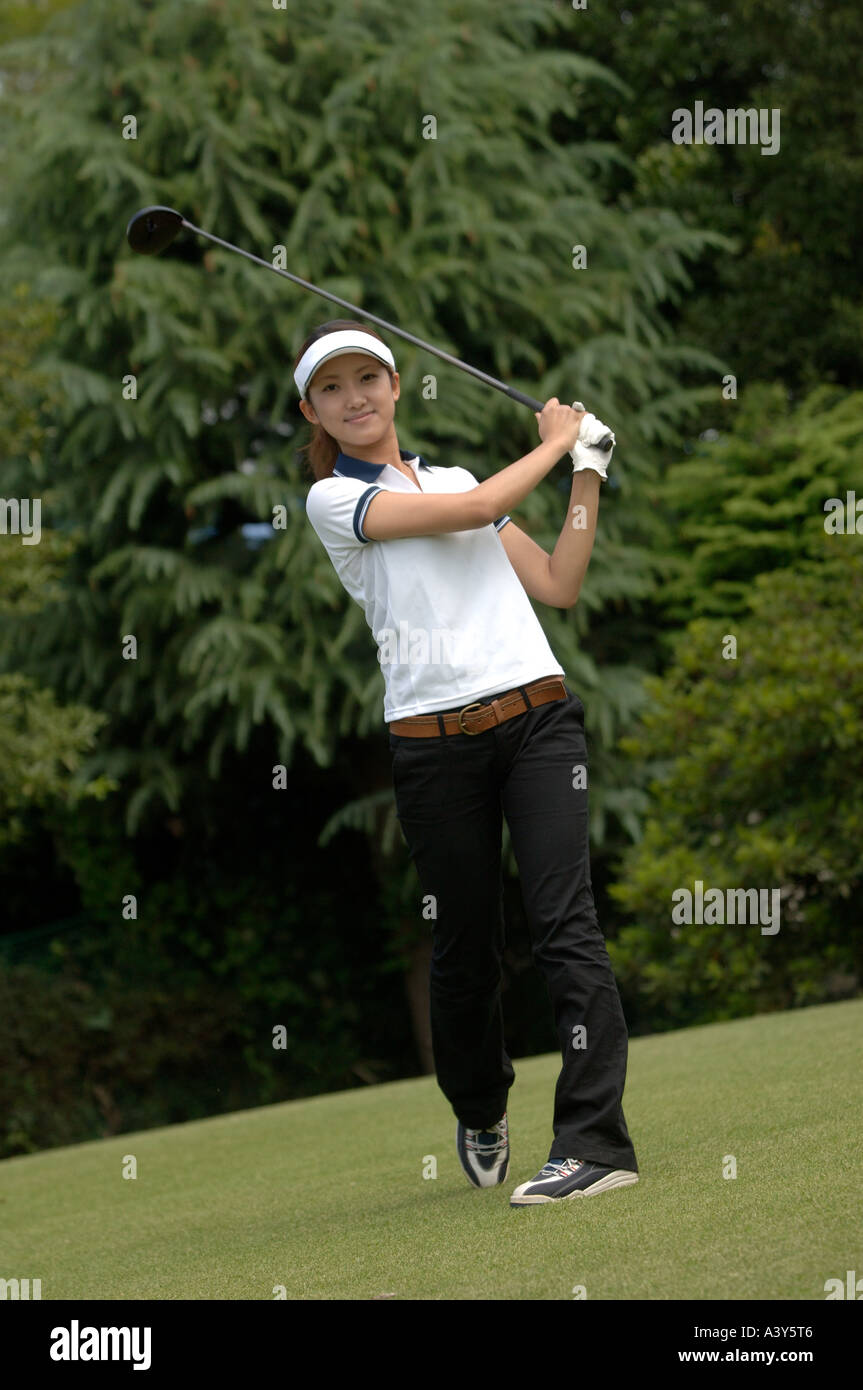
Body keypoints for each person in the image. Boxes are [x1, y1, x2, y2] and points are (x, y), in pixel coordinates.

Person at [298, 318, 638, 1206]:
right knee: (467, 946)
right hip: (431, 745)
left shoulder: (452, 474)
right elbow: (480, 509)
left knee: (567, 923)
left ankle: (594, 1143)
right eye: (332, 389)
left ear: (396, 386)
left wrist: (587, 472)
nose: (355, 397)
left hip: (536, 721)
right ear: (315, 412)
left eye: (366, 377)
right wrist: (558, 440)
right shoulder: (334, 500)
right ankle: (481, 1105)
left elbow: (557, 581)